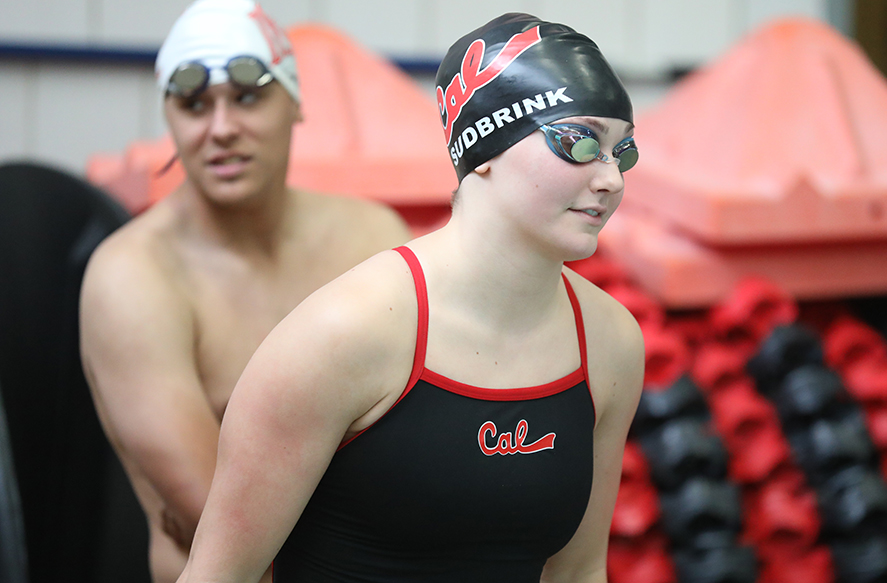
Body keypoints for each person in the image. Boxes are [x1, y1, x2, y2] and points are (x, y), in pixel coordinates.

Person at [177, 12, 644, 583]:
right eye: (581, 143)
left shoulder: (609, 343)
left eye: (621, 151)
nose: (612, 179)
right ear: (485, 148)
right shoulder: (341, 337)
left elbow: (577, 574)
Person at [78, 1, 411, 582]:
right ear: (170, 118)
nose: (222, 128)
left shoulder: (371, 234)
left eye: (249, 96)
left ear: (296, 103)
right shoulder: (133, 277)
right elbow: (229, 532)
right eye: (193, 105)